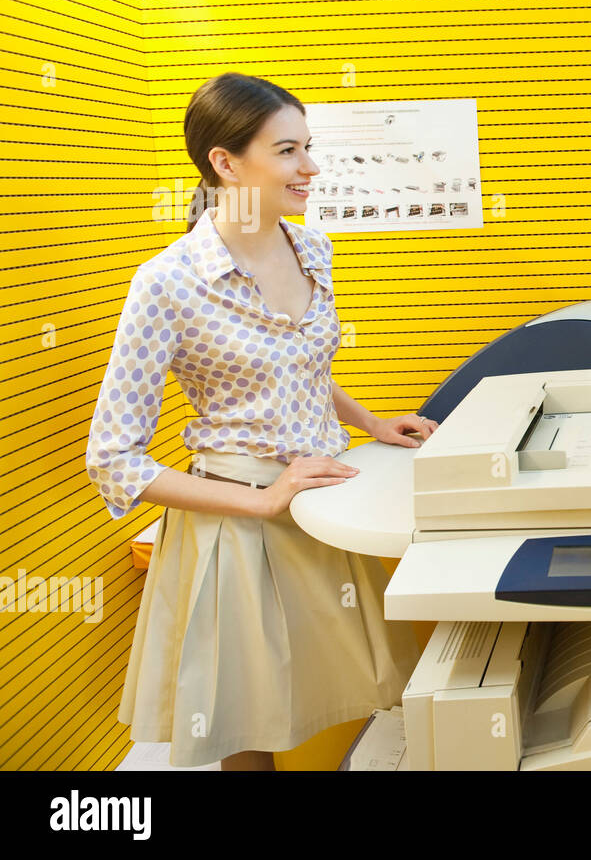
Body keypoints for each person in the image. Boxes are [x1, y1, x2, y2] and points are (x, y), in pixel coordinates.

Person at [86, 72, 432, 771]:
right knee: (247, 721)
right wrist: (264, 497)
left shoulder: (313, 250)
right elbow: (114, 457)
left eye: (308, 148)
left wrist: (369, 422)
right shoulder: (168, 283)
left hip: (326, 500)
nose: (310, 168)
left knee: (337, 697)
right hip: (240, 526)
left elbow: (297, 362)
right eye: (288, 151)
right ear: (225, 161)